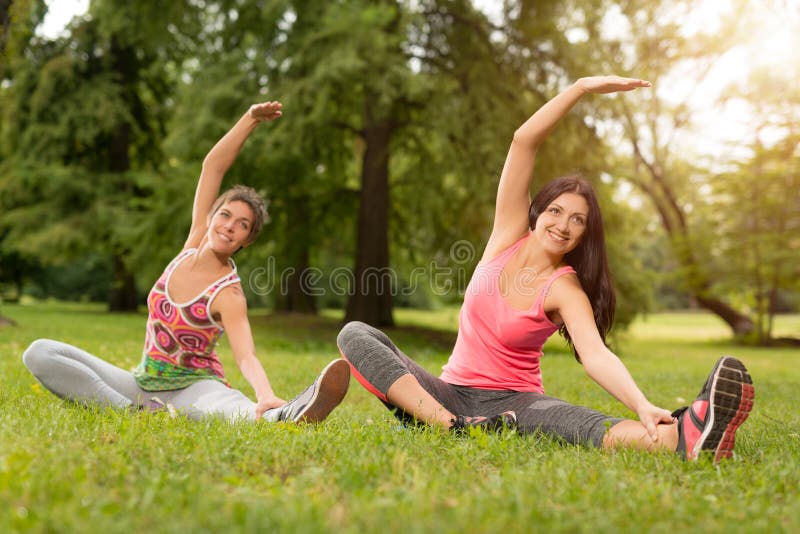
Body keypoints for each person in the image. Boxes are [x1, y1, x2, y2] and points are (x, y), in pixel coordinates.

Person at [336, 76, 754, 462]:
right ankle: (452, 428)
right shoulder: (505, 238)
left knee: (583, 425)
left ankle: (686, 432)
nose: (563, 225)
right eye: (556, 211)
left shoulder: (564, 288)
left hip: (516, 404)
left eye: (578, 220)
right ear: (537, 213)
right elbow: (523, 142)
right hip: (447, 395)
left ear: (585, 234)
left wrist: (642, 404)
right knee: (356, 334)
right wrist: (581, 87)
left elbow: (595, 355)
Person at [23, 100, 350, 424]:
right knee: (40, 353)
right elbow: (213, 167)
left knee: (233, 410)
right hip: (141, 384)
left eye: (242, 224)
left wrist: (265, 393)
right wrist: (249, 118)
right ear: (210, 217)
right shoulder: (191, 244)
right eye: (225, 214)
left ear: (246, 240)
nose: (229, 226)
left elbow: (245, 354)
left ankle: (285, 414)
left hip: (196, 387)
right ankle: (136, 414)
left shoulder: (229, 294)